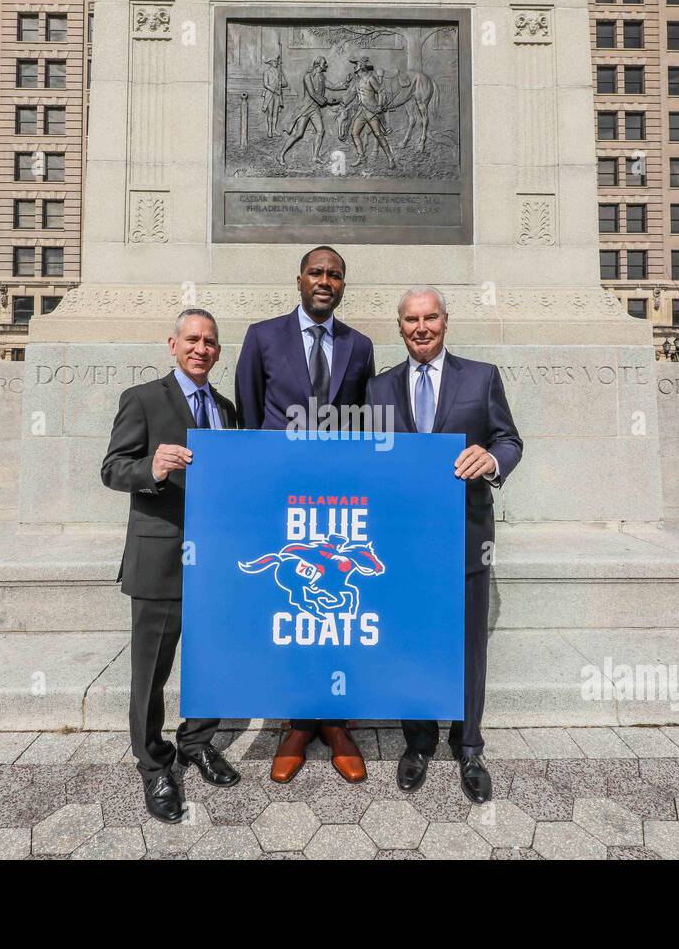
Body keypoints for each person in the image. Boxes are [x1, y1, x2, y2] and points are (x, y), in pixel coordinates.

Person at [364, 286, 523, 803]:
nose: (421, 327)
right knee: (410, 641)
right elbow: (370, 459)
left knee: (467, 647)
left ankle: (469, 745)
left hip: (464, 537)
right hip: (402, 544)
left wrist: (492, 460)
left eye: (430, 317)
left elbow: (510, 439)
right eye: (411, 319)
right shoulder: (378, 388)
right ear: (400, 325)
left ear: (446, 321)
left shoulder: (481, 377)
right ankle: (418, 741)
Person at [235, 245, 376, 784]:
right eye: (316, 272)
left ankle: (337, 722)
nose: (325, 281)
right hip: (282, 496)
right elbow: (249, 412)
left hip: (338, 502)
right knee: (293, 603)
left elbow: (361, 421)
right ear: (299, 280)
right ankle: (297, 721)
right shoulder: (262, 336)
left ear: (343, 285)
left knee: (336, 606)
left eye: (334, 275)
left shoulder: (358, 345)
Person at [101, 308, 242, 823]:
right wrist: (151, 468)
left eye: (209, 341)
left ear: (218, 352)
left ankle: (198, 743)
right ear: (172, 344)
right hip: (161, 556)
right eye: (191, 339)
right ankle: (153, 764)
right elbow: (112, 469)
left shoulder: (227, 409)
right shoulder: (142, 399)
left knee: (212, 660)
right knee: (151, 672)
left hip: (216, 562)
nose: (200, 348)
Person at [278, 57, 344, 165]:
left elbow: (332, 86)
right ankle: (280, 155)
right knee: (298, 133)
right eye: (324, 63)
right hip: (306, 108)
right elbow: (312, 93)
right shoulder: (308, 76)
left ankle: (315, 156)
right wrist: (326, 101)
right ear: (318, 64)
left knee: (320, 130)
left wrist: (344, 83)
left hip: (315, 109)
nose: (326, 65)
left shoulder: (322, 77)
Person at [261, 56, 286, 138]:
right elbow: (266, 84)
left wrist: (281, 81)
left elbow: (285, 84)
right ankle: (269, 130)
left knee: (275, 113)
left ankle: (274, 129)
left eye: (276, 61)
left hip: (277, 95)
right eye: (274, 61)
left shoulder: (279, 72)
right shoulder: (267, 72)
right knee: (270, 112)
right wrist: (275, 90)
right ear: (270, 62)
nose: (275, 62)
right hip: (270, 94)